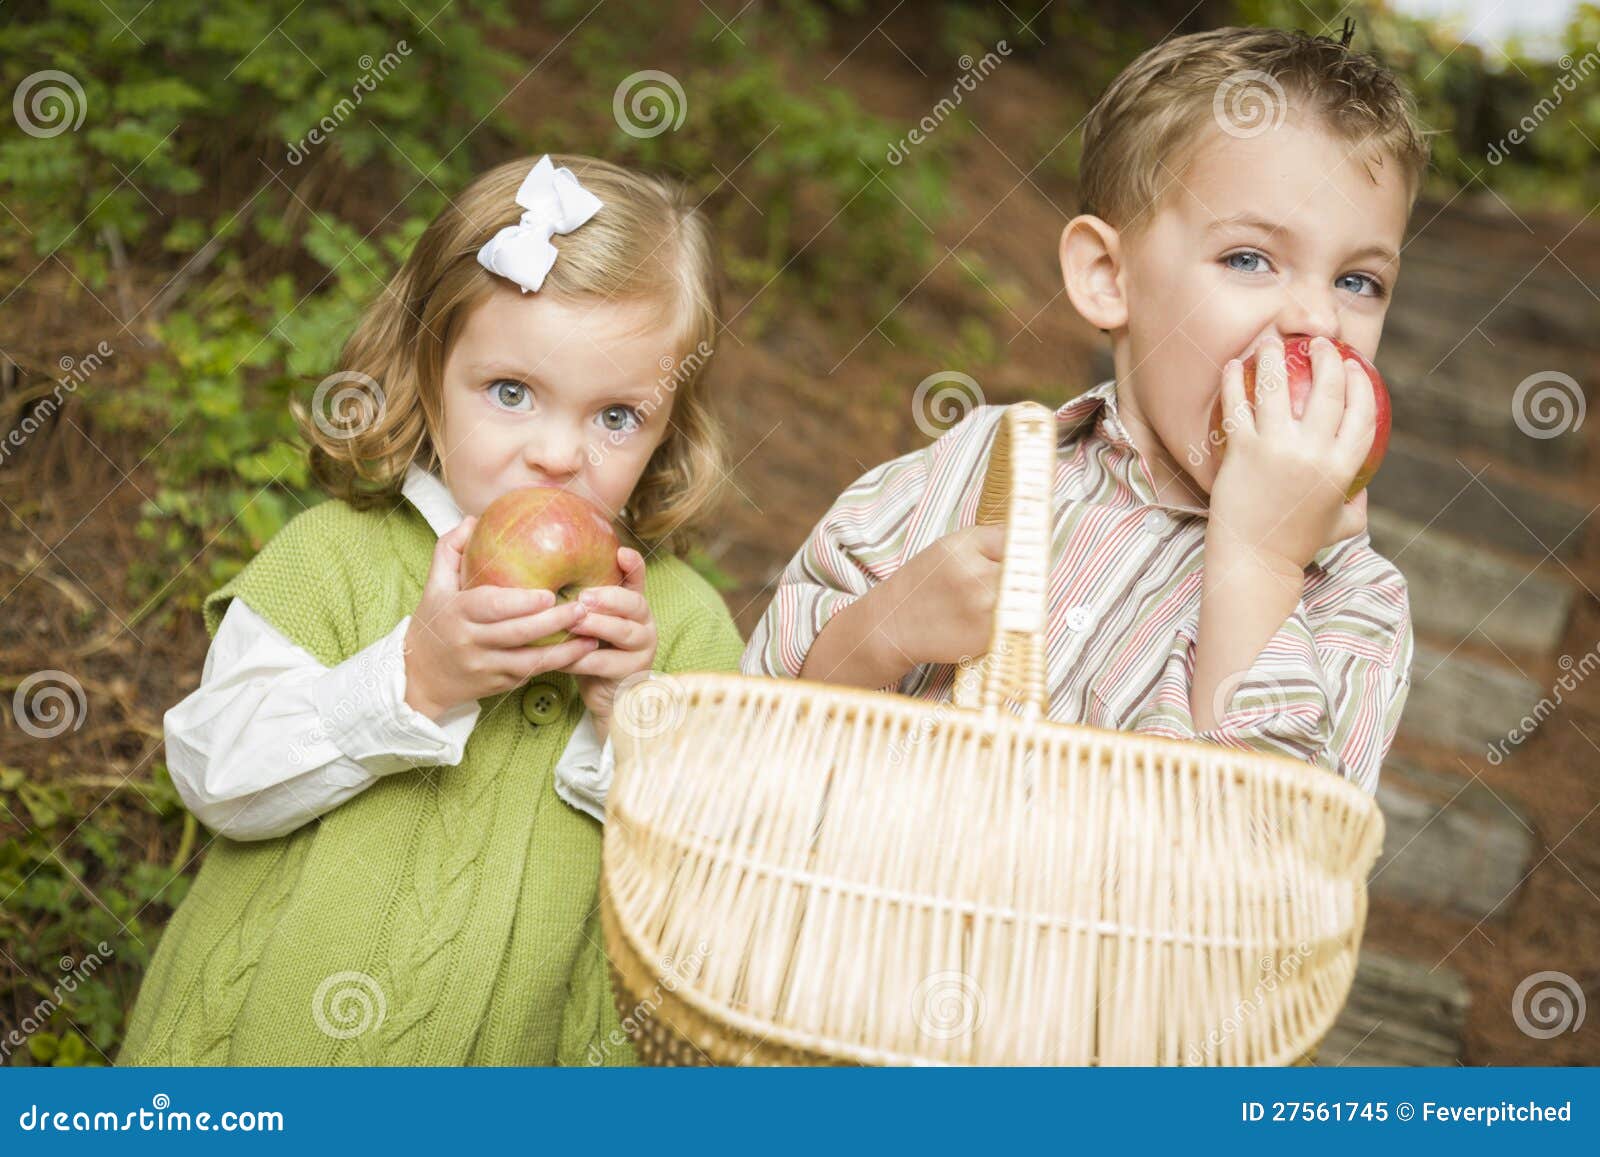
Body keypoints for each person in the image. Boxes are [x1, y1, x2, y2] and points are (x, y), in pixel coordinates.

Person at [119, 155, 745, 1065]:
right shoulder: (334, 556)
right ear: (426, 373)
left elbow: (716, 884)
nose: (560, 454)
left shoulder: (678, 626)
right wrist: (411, 681)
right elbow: (218, 775)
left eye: (617, 416)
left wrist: (633, 722)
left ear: (670, 424)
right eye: (510, 393)